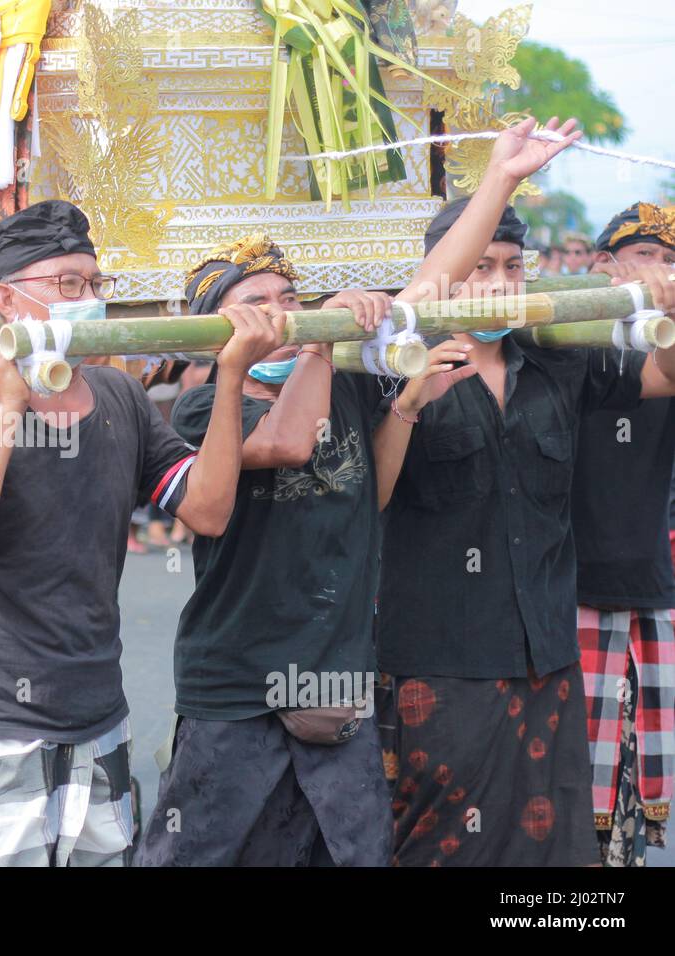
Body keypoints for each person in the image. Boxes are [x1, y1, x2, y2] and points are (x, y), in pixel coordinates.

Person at [135, 119, 569, 867]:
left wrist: (499, 178)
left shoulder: (347, 373)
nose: (283, 309)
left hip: (338, 679)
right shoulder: (209, 405)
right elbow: (288, 441)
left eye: (291, 295)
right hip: (237, 685)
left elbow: (435, 281)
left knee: (351, 854)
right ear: (220, 330)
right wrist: (321, 342)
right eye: (257, 302)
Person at [0, 199, 284, 866]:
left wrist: (230, 379)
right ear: (6, 299)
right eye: (66, 285)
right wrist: (8, 408)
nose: (86, 301)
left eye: (93, 284)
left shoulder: (118, 397)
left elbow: (207, 510)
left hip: (96, 705)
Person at [377, 174, 675, 866]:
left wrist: (666, 307)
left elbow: (661, 378)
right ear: (444, 274)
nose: (498, 283)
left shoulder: (557, 360)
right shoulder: (395, 358)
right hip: (440, 663)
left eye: (512, 267)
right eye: (479, 266)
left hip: (547, 655)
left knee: (554, 849)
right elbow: (376, 497)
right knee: (438, 846)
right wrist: (410, 403)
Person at [571, 201, 675, 865]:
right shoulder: (565, 339)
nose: (661, 272)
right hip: (566, 589)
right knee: (570, 785)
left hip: (646, 583)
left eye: (670, 261)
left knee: (630, 782)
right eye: (645, 257)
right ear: (605, 266)